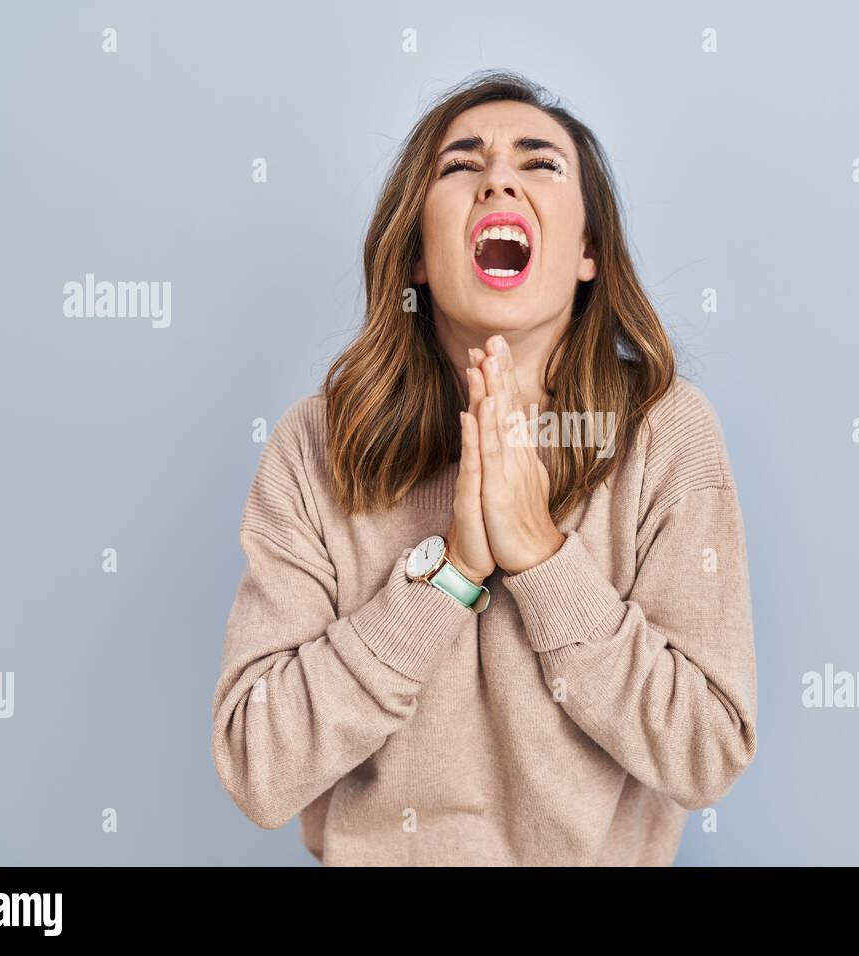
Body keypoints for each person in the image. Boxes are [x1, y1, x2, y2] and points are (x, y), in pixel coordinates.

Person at [211, 70, 758, 866]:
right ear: (420, 258)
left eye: (540, 163)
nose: (498, 175)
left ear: (587, 253)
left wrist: (542, 557)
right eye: (461, 165)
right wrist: (449, 577)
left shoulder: (664, 433)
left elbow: (706, 751)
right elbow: (256, 765)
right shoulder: (315, 445)